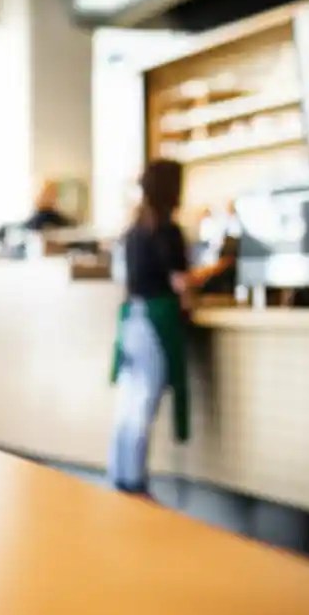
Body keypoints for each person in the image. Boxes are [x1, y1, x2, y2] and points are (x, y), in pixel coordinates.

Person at [107, 160, 191, 497]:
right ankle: (136, 482)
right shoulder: (168, 231)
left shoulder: (131, 232)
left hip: (132, 322)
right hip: (157, 325)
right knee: (144, 404)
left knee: (128, 403)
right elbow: (179, 281)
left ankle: (121, 475)